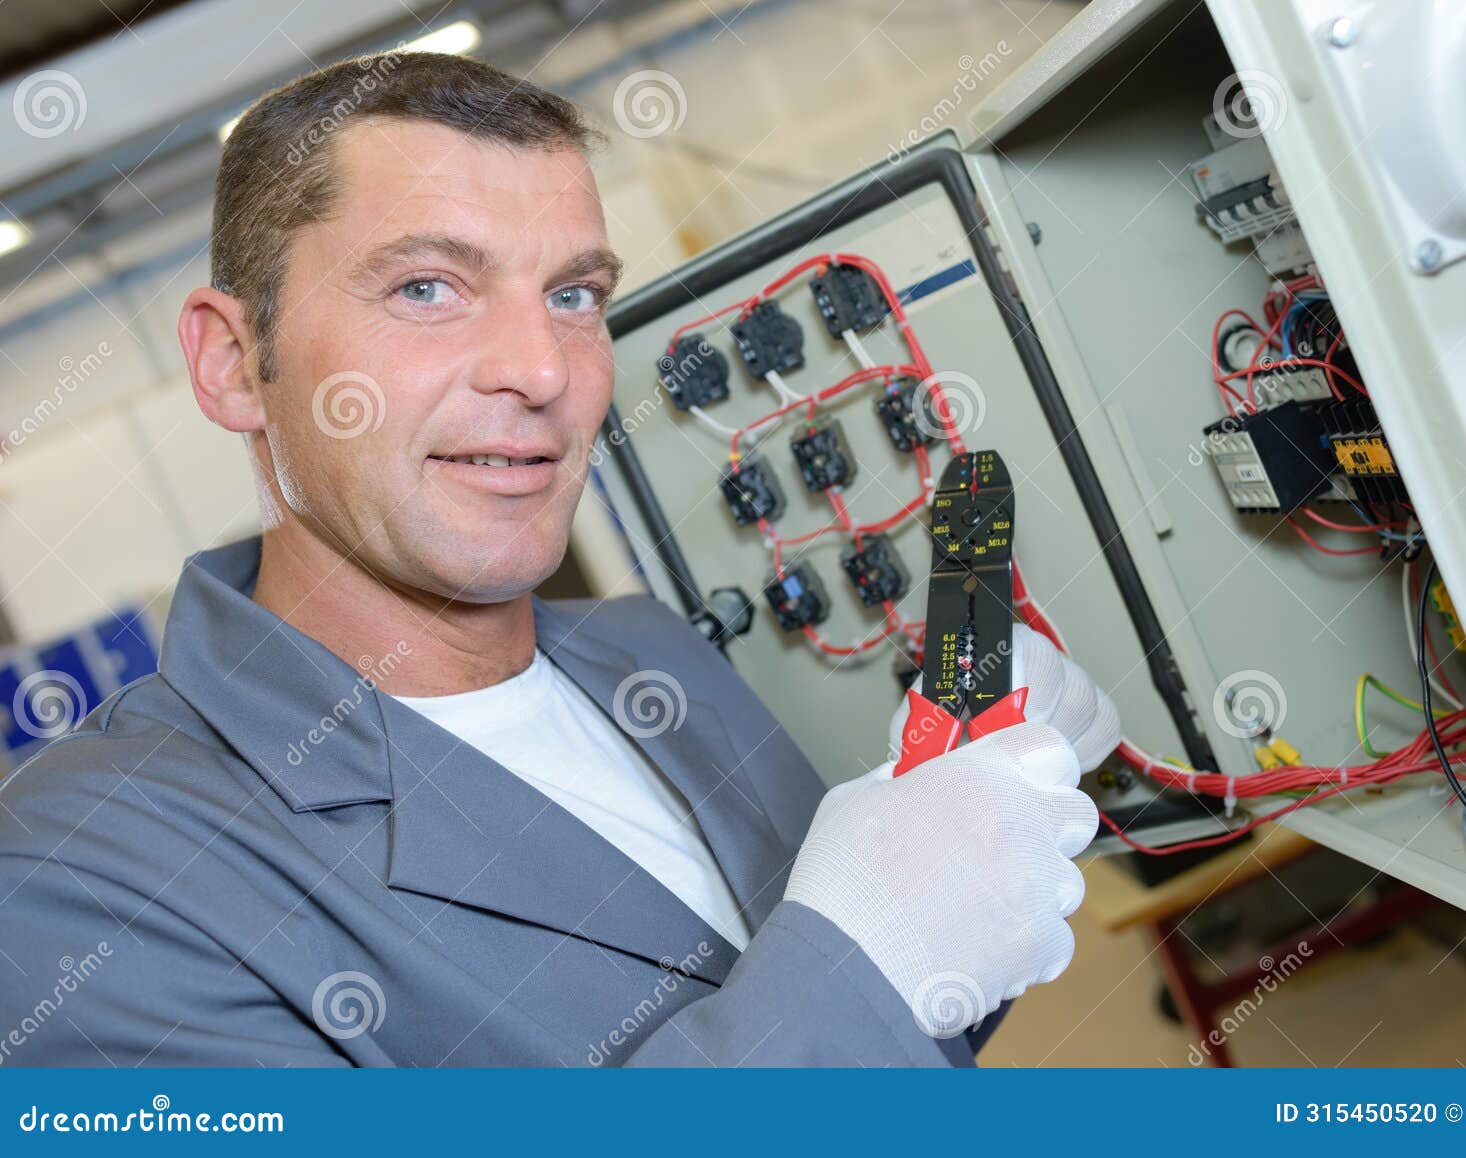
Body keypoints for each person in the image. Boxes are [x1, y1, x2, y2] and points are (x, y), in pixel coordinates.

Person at [0, 52, 1118, 1067]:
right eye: (426, 287)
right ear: (236, 363)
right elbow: (845, 993)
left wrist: (958, 847)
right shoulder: (79, 876)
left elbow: (890, 1036)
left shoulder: (648, 657)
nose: (542, 369)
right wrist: (870, 962)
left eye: (575, 295)